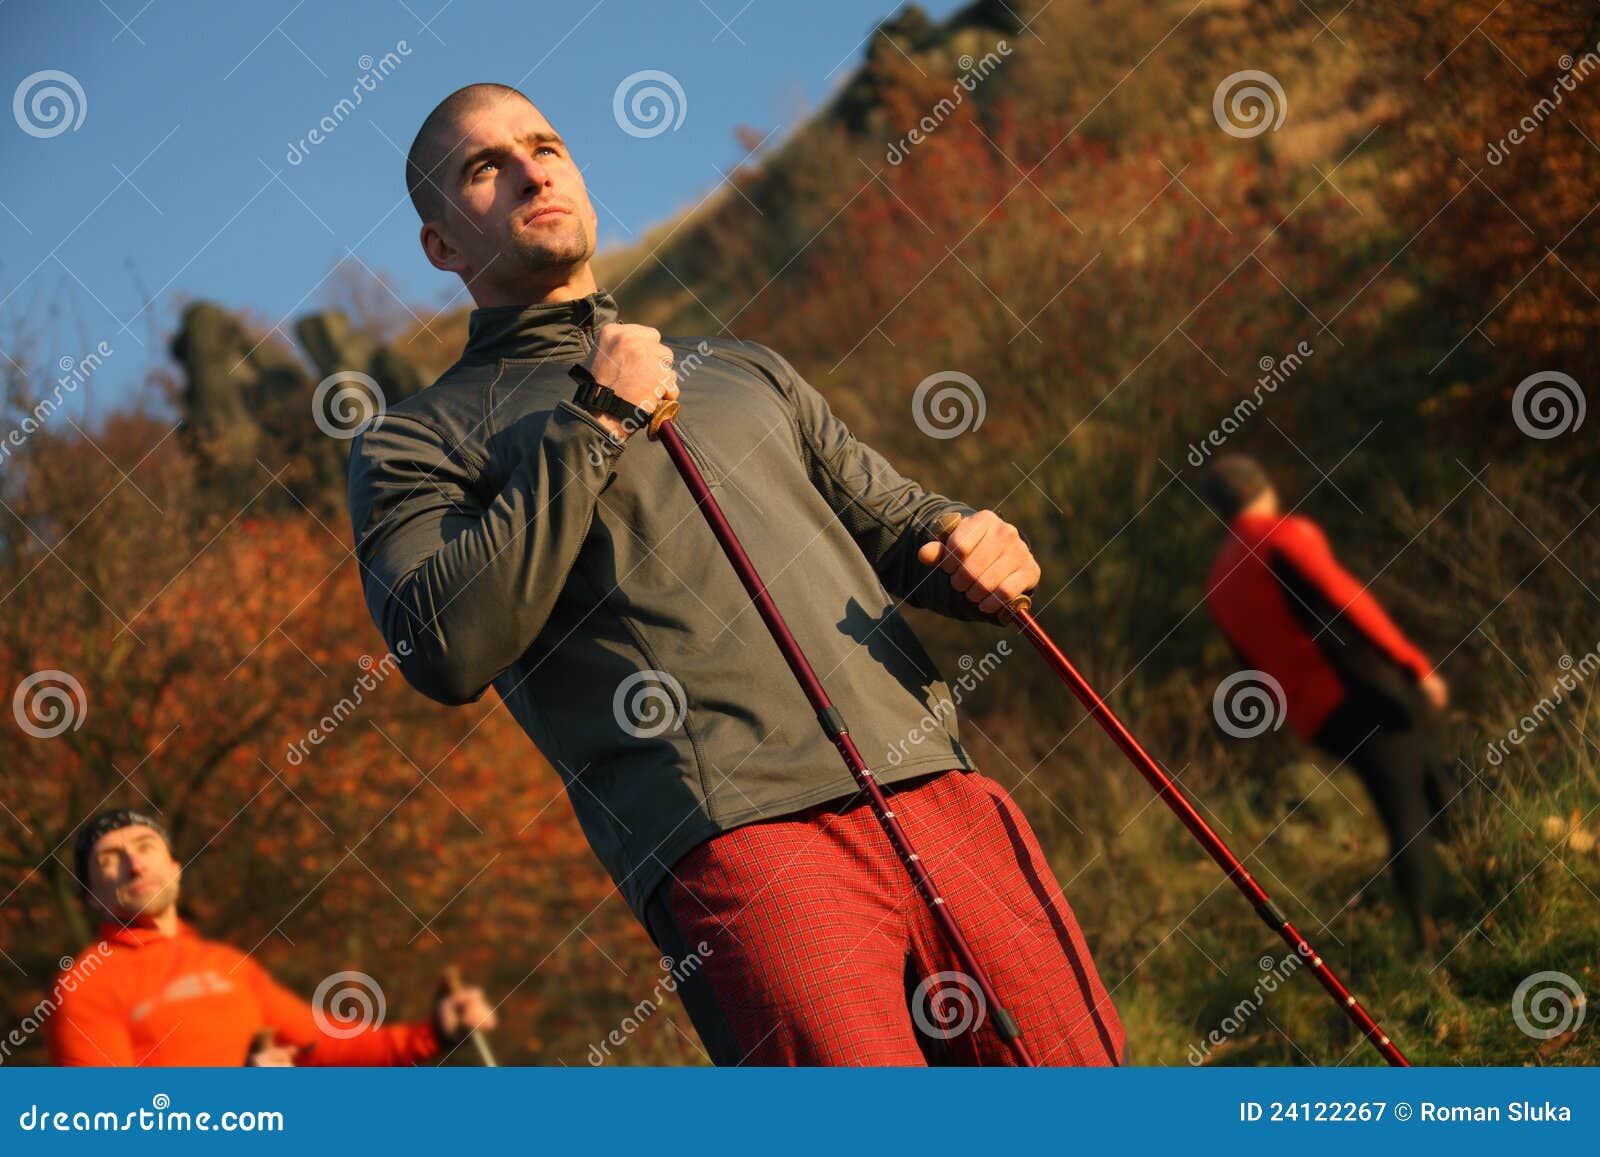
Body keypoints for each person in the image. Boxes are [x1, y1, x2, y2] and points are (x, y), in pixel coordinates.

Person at [344, 82, 1125, 1066]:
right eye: (482, 167)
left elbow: (898, 522)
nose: (531, 170)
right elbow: (444, 644)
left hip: (938, 786)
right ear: (441, 247)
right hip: (740, 844)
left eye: (545, 145)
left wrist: (971, 541)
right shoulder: (414, 440)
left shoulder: (738, 366)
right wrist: (594, 422)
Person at [1201, 455, 1463, 945]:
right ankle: (1432, 930)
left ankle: (1476, 875)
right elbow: (1349, 602)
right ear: (1264, 483)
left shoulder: (1218, 582)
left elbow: (1249, 669)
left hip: (1315, 717)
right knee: (1405, 804)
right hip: (1358, 691)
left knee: (1427, 772)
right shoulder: (1282, 536)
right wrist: (1414, 665)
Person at [46, 808, 496, 1066]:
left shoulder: (227, 964)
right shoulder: (85, 984)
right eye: (110, 858)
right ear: (91, 898)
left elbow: (327, 1044)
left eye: (146, 847)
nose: (135, 864)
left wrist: (435, 1031)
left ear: (176, 869)